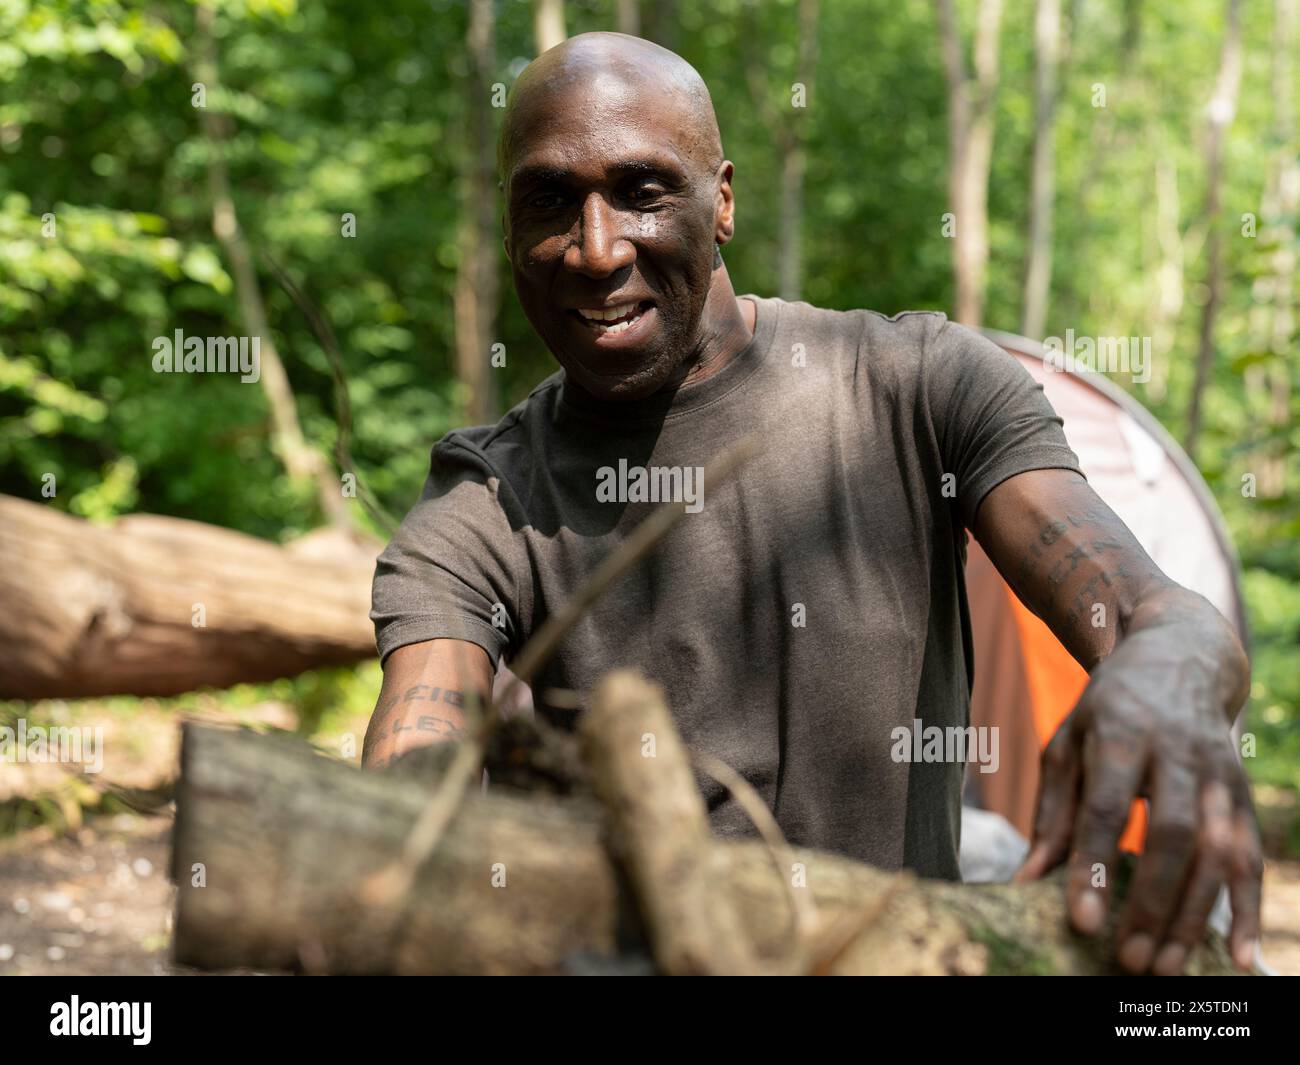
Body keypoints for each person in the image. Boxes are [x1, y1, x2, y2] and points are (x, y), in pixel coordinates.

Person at [364, 32, 1260, 976]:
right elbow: (416, 747)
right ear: (507, 227)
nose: (595, 249)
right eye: (550, 199)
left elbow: (1149, 611)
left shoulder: (920, 387)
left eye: (641, 191)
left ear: (722, 201)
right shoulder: (486, 499)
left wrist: (1168, 670)